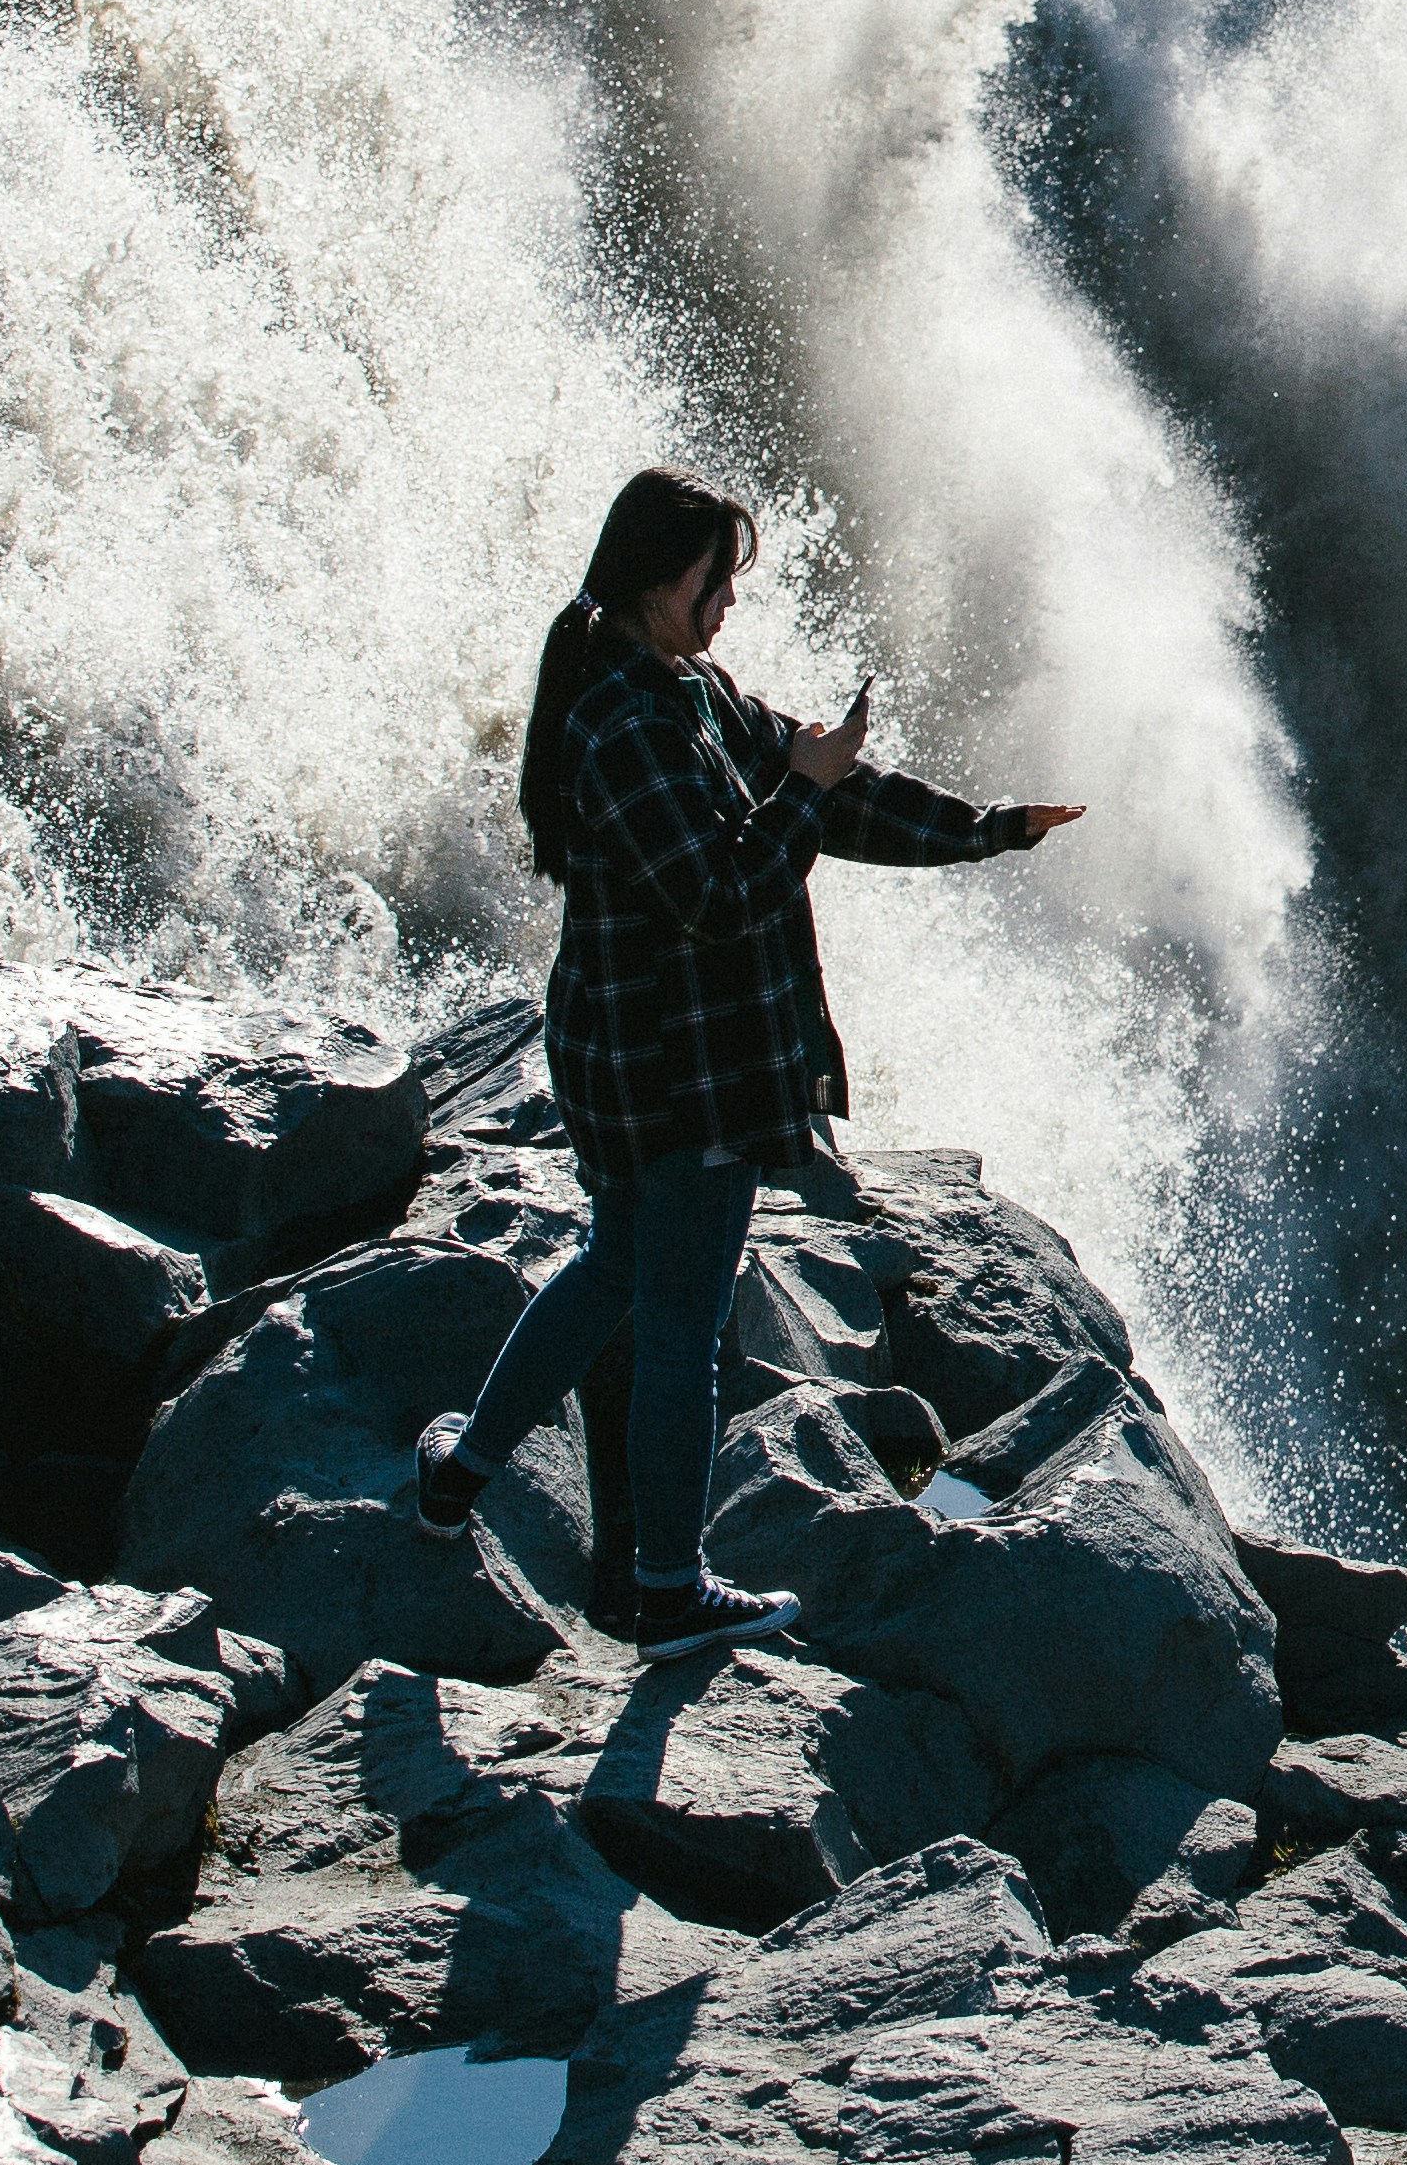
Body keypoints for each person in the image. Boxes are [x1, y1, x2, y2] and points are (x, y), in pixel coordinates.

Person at [411, 466, 1082, 1658]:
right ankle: (668, 1587)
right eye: (718, 580)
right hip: (678, 1070)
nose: (728, 604)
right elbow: (720, 896)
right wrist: (807, 799)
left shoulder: (689, 689)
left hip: (646, 1055)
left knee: (616, 1263)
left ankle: (460, 1472)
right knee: (683, 1320)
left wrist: (984, 829)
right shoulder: (626, 724)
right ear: (662, 579)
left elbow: (832, 789)